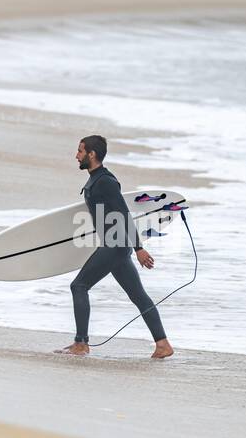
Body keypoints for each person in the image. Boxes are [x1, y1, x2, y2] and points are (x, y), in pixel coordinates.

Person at [56, 135, 174, 359]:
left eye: (80, 151)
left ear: (92, 154)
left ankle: (81, 343)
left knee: (78, 286)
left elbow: (123, 214)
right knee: (138, 295)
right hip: (115, 245)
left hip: (115, 245)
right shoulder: (96, 179)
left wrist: (138, 248)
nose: (76, 155)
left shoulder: (105, 181)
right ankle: (163, 344)